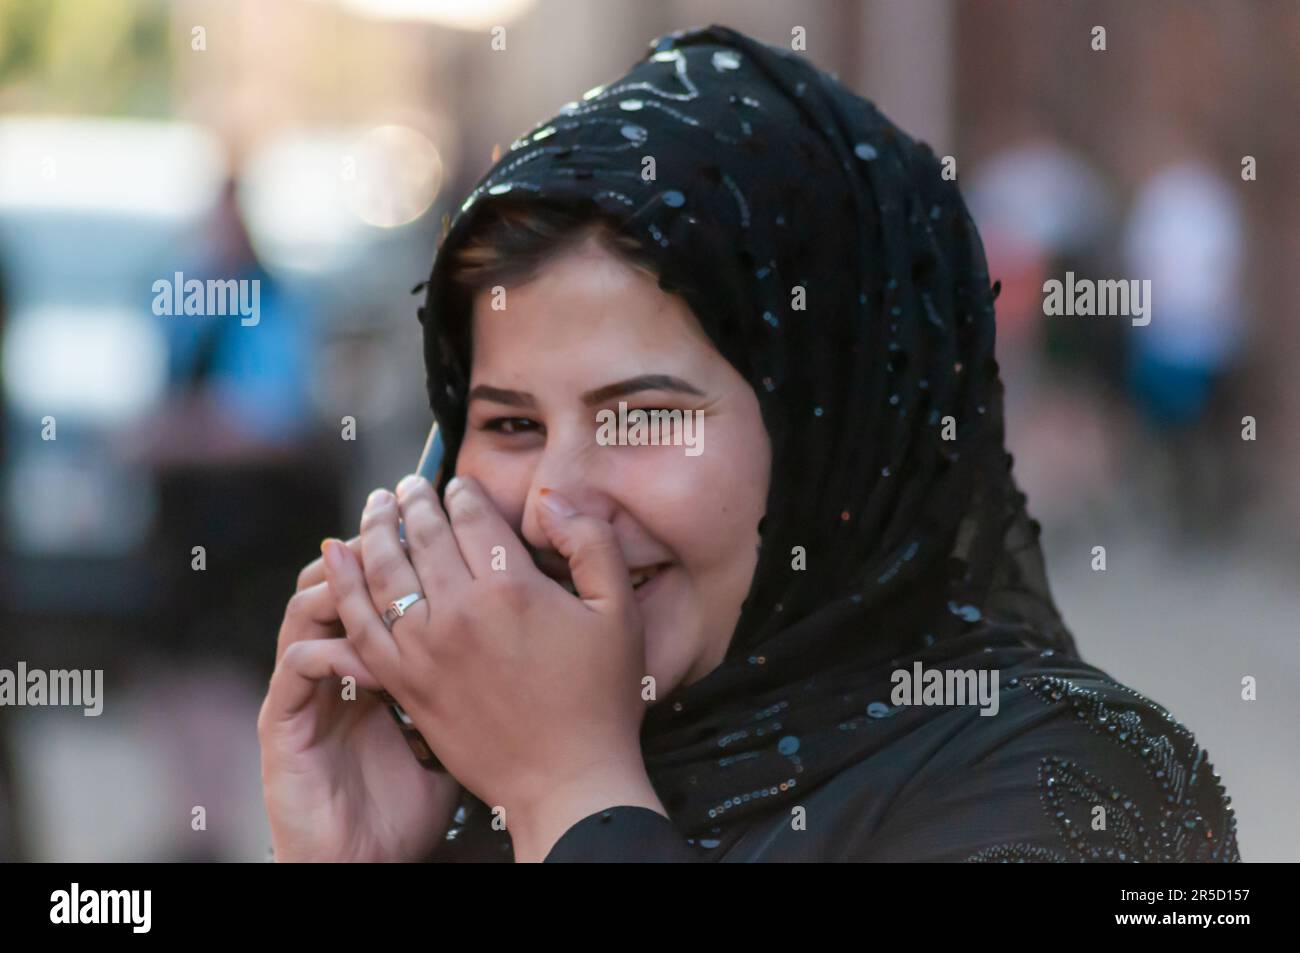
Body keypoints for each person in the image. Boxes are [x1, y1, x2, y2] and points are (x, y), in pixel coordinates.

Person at [258, 25, 1239, 863]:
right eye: (510, 423)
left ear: (837, 436)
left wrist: (573, 796)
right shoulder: (474, 783)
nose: (555, 507)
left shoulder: (1085, 789)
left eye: (641, 415)